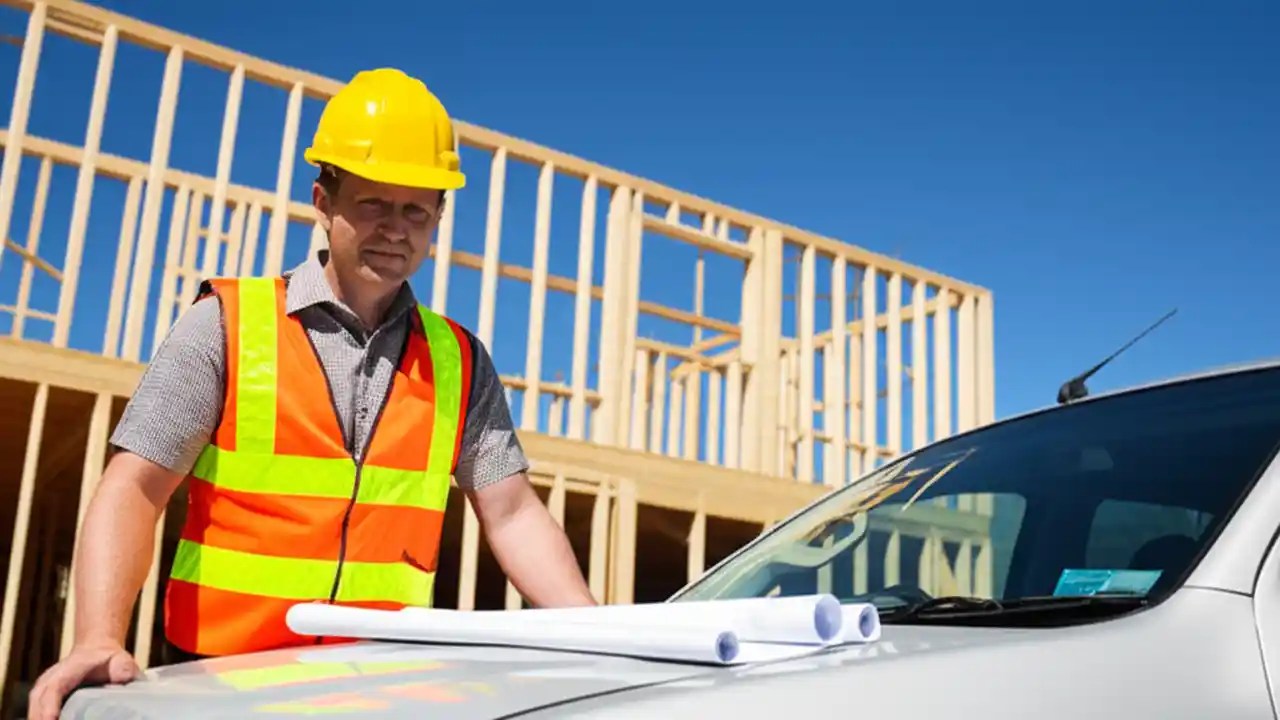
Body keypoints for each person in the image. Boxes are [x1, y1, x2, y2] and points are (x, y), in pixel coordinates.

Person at [27, 67, 596, 720]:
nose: (396, 228)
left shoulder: (460, 361)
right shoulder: (228, 325)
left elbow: (512, 513)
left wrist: (594, 630)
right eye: (373, 203)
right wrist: (98, 637)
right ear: (323, 202)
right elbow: (135, 487)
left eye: (416, 209)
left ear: (438, 217)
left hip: (383, 691)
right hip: (221, 686)